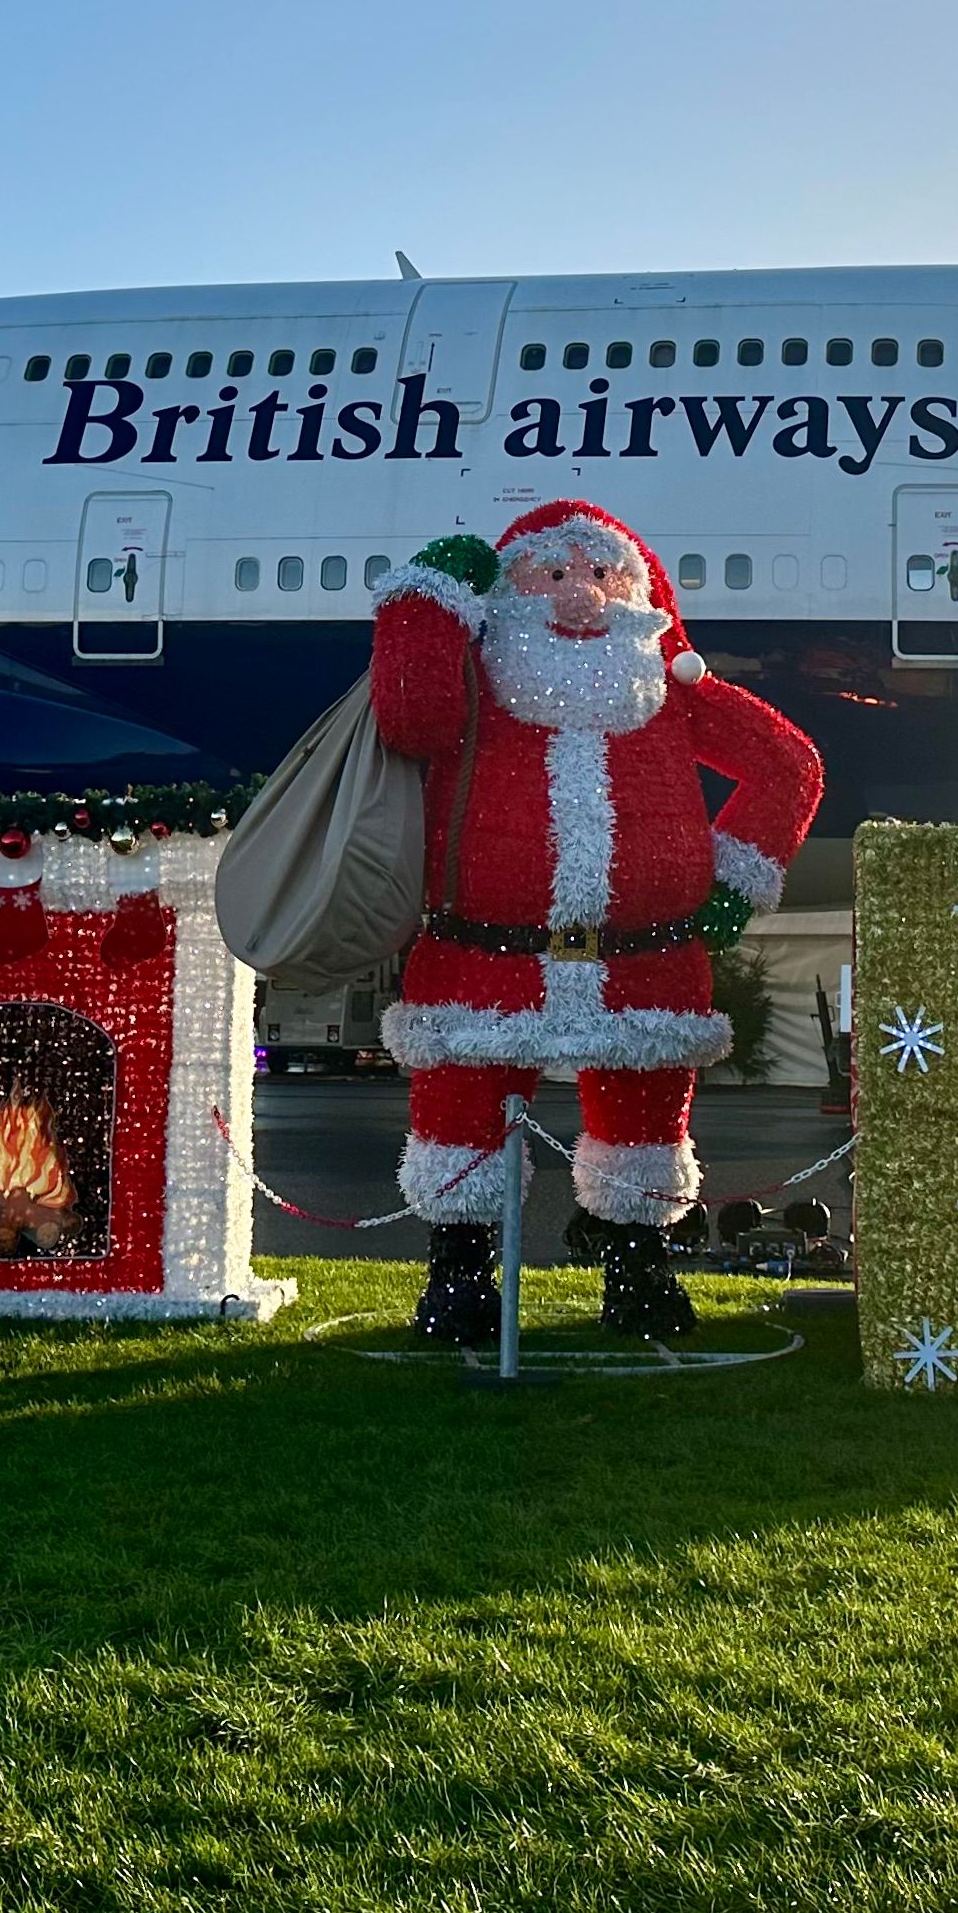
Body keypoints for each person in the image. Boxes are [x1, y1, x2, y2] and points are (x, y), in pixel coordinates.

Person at [370, 499, 824, 1342]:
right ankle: (460, 1276)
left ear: (643, 595)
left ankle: (638, 1272)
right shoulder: (472, 690)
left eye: (602, 573)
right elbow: (408, 717)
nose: (580, 597)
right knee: (461, 1112)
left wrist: (735, 881)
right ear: (506, 597)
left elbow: (788, 765)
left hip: (642, 961)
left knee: (646, 1124)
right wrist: (426, 599)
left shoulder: (671, 696)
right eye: (552, 574)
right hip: (484, 958)